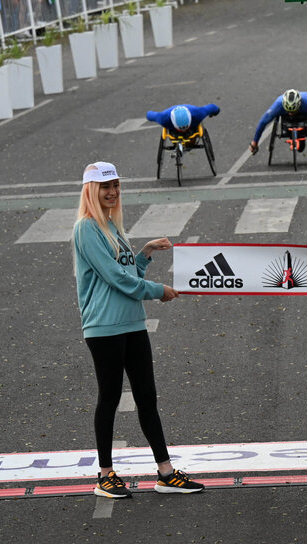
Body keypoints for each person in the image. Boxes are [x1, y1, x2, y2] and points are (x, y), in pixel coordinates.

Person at [73, 162, 205, 498]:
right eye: (105, 186)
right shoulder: (87, 229)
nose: (112, 192)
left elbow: (126, 270)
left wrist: (143, 254)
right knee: (110, 398)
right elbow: (116, 280)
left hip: (131, 323)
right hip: (104, 328)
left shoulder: (112, 228)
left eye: (116, 185)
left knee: (147, 398)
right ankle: (105, 475)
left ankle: (165, 472)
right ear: (91, 190)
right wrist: (158, 290)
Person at [248, 88, 307, 156]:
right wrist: (254, 142)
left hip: (304, 115)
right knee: (271, 118)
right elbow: (263, 122)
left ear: (299, 104)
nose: (291, 114)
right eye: (289, 111)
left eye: (293, 111)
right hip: (286, 120)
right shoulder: (278, 105)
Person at [146, 103, 220, 137]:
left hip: (193, 116)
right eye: (181, 129)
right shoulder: (163, 119)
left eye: (186, 128)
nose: (184, 131)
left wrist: (216, 112)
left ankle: (190, 130)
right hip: (169, 118)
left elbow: (213, 107)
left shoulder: (198, 114)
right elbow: (149, 115)